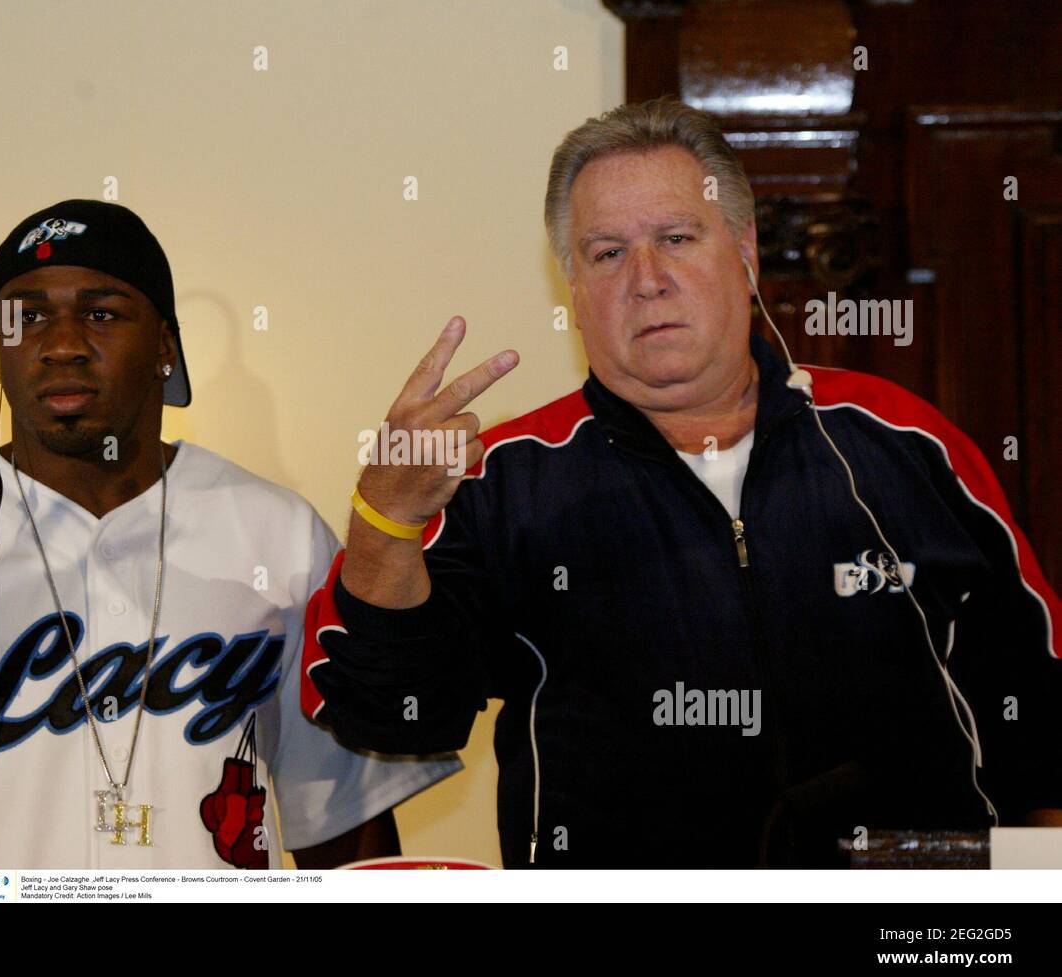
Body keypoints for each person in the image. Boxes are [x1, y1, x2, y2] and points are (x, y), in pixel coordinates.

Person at [301, 98, 1062, 868]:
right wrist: (385, 518)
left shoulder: (902, 440)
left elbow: (1041, 706)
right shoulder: (506, 480)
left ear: (746, 254)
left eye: (676, 238)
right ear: (572, 285)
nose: (647, 280)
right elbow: (393, 717)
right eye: (606, 254)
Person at [0, 199, 459, 870]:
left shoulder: (276, 532)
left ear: (164, 346)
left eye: (100, 313)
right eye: (27, 317)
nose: (60, 344)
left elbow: (344, 827)